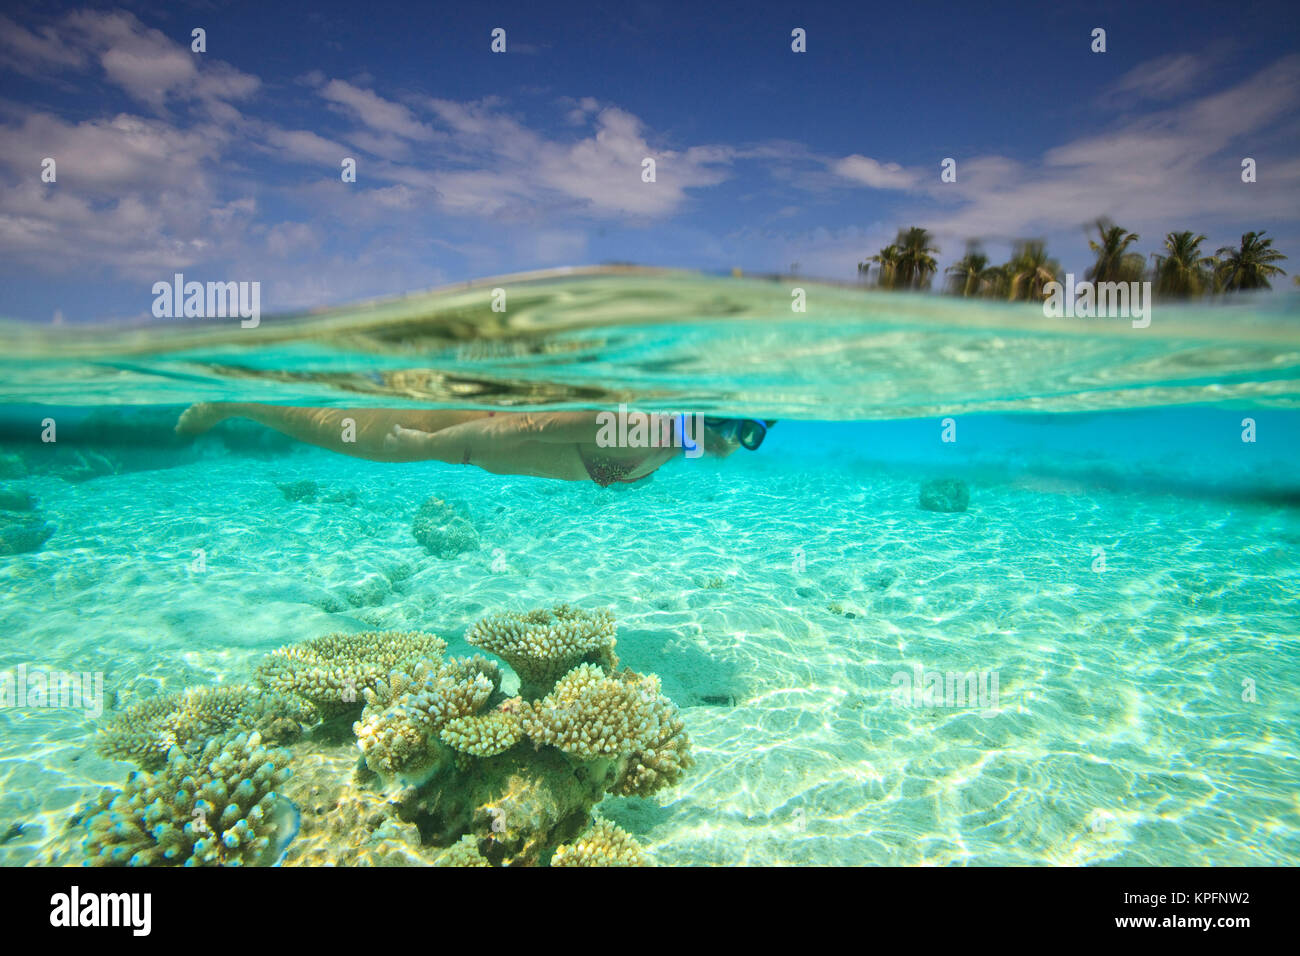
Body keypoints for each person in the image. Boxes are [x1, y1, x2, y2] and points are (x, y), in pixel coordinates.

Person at [176, 403, 773, 486]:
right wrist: (433, 444)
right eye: (737, 427)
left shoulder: (668, 443)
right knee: (342, 433)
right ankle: (233, 403)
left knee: (344, 434)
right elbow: (530, 429)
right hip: (459, 435)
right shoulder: (647, 428)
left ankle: (237, 403)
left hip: (470, 450)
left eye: (755, 435)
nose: (738, 442)